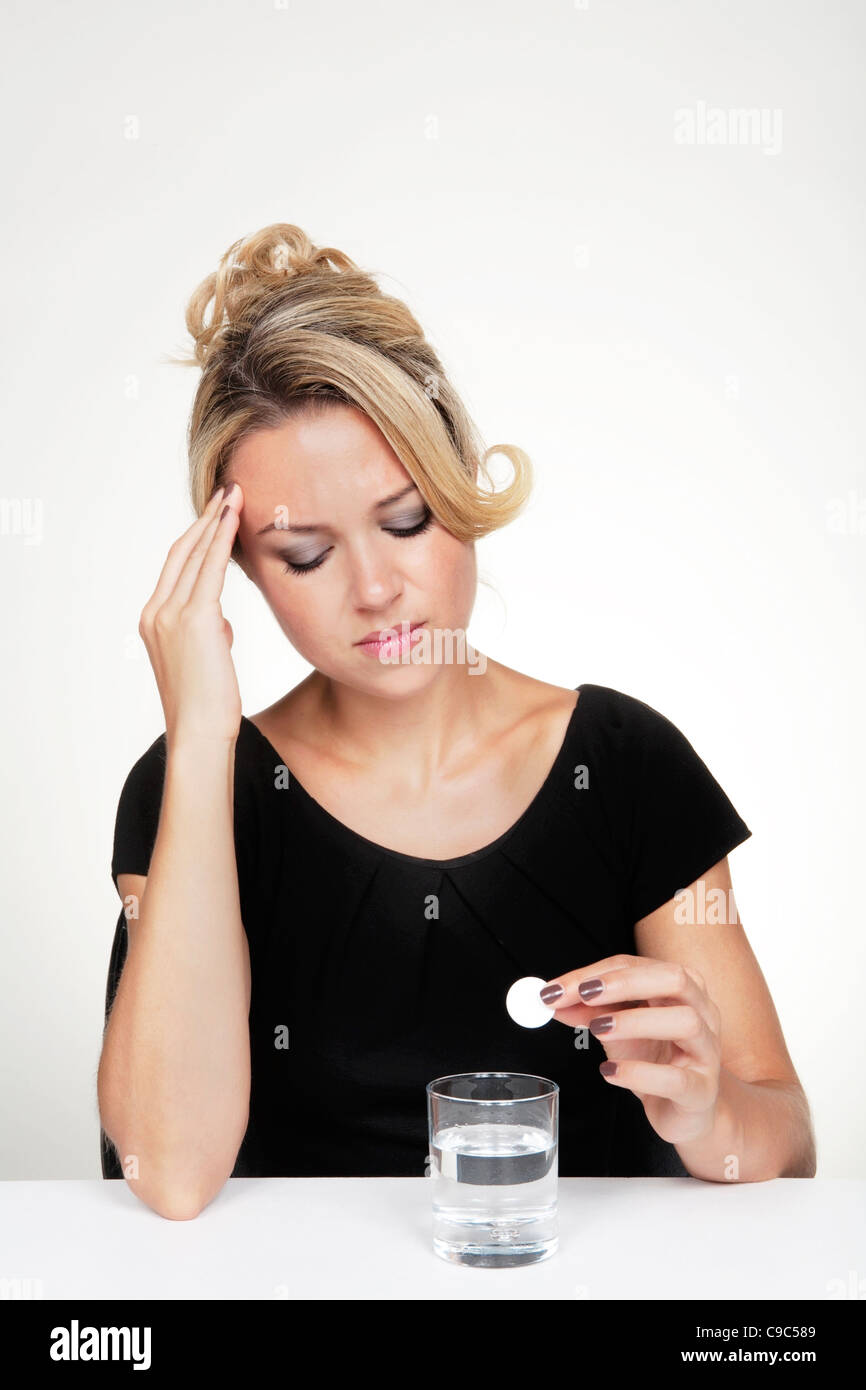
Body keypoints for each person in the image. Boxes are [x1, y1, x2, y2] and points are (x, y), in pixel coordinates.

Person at [97, 222, 816, 1220]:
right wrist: (203, 738)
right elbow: (168, 1175)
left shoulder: (622, 765)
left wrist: (708, 1114)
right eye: (303, 553)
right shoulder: (199, 784)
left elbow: (781, 1141)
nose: (375, 589)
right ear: (239, 573)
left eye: (402, 519)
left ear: (459, 482)